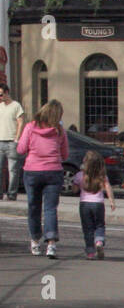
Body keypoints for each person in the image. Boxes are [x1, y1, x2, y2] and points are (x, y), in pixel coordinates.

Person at [17, 100, 69, 258]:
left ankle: (35, 240)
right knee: (50, 208)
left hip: (32, 171)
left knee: (33, 207)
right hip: (53, 171)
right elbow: (65, 155)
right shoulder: (59, 131)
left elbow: (20, 149)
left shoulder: (30, 127)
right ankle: (51, 244)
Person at [73, 150, 115, 259]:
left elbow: (74, 189)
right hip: (98, 204)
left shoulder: (80, 175)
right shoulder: (102, 176)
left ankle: (90, 252)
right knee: (99, 225)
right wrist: (111, 200)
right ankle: (99, 241)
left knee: (88, 228)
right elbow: (108, 187)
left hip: (84, 204)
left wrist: (76, 185)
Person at [0, 83, 26, 200]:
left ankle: (11, 194)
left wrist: (17, 138)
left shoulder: (16, 105)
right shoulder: (0, 106)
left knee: (13, 170)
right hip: (0, 141)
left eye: (0, 95)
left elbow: (20, 122)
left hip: (11, 141)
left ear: (6, 92)